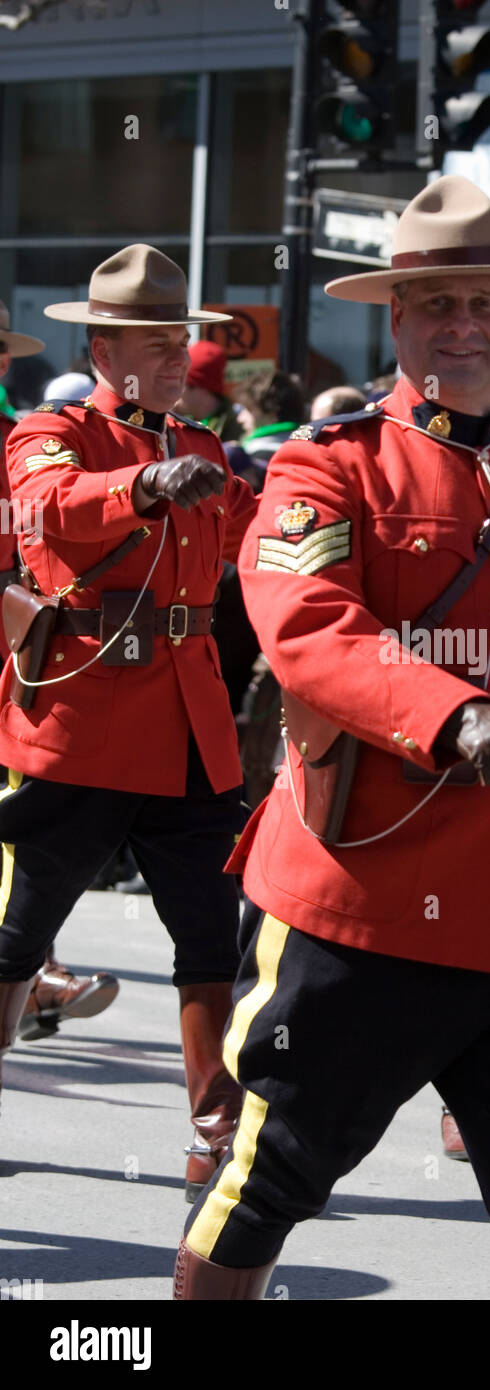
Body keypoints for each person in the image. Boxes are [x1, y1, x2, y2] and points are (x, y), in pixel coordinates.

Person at [175, 175, 490, 1302]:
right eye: (434, 305)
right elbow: (307, 628)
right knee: (265, 1185)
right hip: (368, 906)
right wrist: (452, 711)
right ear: (395, 320)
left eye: (484, 301)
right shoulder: (328, 464)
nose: (461, 325)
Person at [0, 245, 258, 1200]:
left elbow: (255, 531)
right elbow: (46, 506)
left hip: (189, 728)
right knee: (23, 931)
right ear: (102, 345)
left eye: (175, 340)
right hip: (86, 716)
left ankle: (213, 1124)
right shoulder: (50, 427)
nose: (168, 358)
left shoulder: (201, 445)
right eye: (149, 342)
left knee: (209, 932)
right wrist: (141, 489)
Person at [0, 299, 120, 1040]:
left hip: (15, 665)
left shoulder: (18, 441)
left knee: (18, 834)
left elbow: (44, 538)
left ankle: (33, 970)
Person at [174, 339, 244, 443]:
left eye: (181, 383)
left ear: (202, 388)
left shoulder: (237, 429)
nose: (174, 391)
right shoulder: (176, 422)